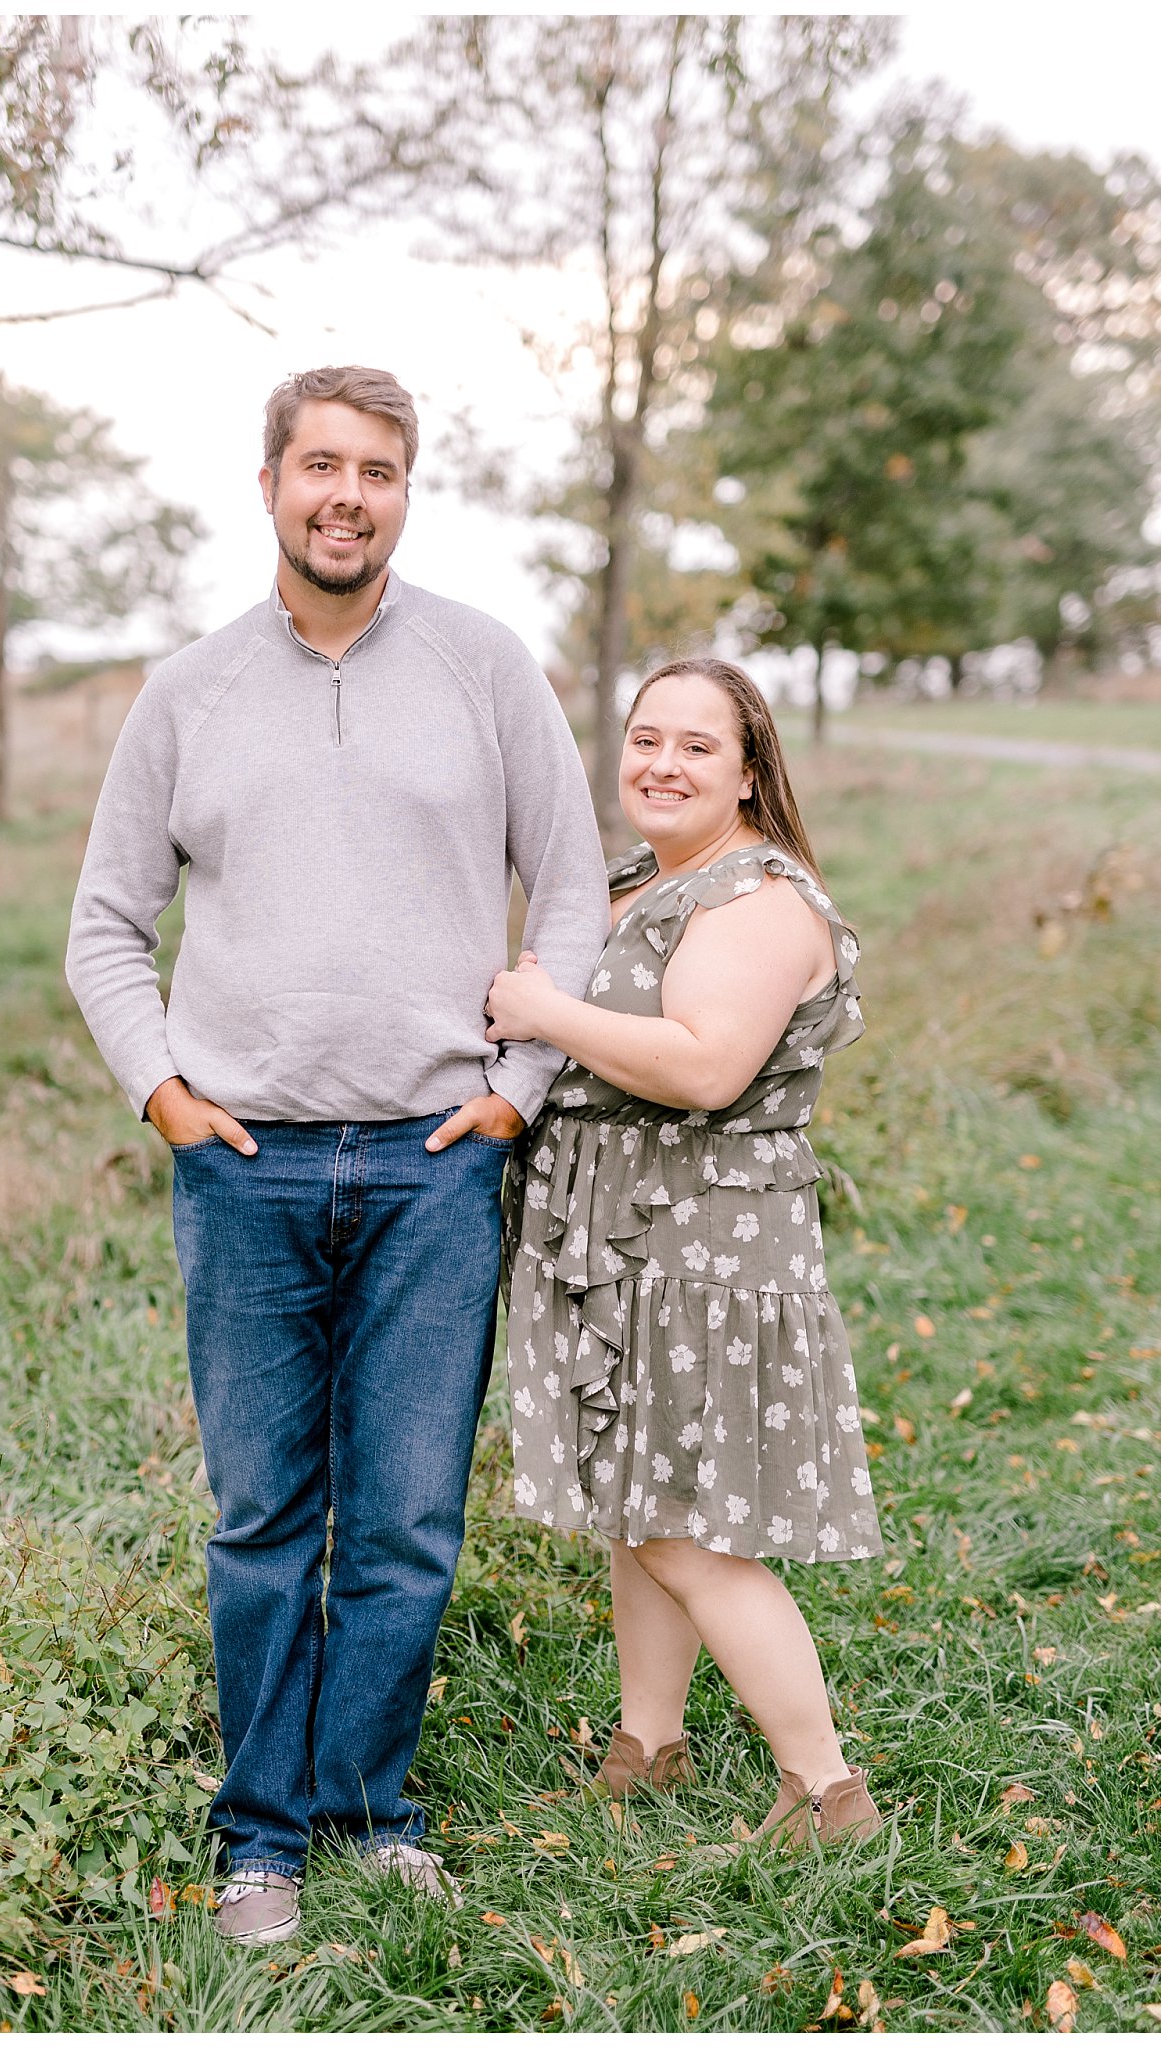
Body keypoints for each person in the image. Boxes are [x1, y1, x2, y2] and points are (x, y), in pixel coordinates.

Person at [66, 365, 608, 1943]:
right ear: (270, 483)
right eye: (320, 465)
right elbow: (106, 926)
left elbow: (566, 890)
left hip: (439, 1160)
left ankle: (370, 1810)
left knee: (403, 1520)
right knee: (258, 1520)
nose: (345, 495)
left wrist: (514, 1083)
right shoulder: (188, 692)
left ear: (403, 491)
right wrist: (162, 1091)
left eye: (375, 470)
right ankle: (259, 1839)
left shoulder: (483, 666)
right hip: (245, 1166)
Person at [486, 655, 884, 1849]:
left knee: (685, 1525)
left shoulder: (754, 899)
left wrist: (541, 1012)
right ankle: (646, 1744)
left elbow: (706, 1065)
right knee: (637, 1499)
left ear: (750, 768)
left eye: (697, 745)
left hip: (698, 1245)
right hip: (623, 1239)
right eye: (646, 738)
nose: (661, 762)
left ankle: (826, 1790)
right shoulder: (640, 880)